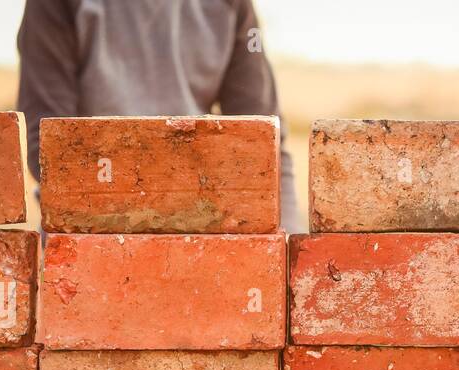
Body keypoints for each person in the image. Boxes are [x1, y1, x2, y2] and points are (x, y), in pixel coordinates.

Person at [16, 0, 302, 232]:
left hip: (199, 230)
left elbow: (265, 144)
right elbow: (48, 147)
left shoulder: (231, 5)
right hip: (87, 232)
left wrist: (284, 249)